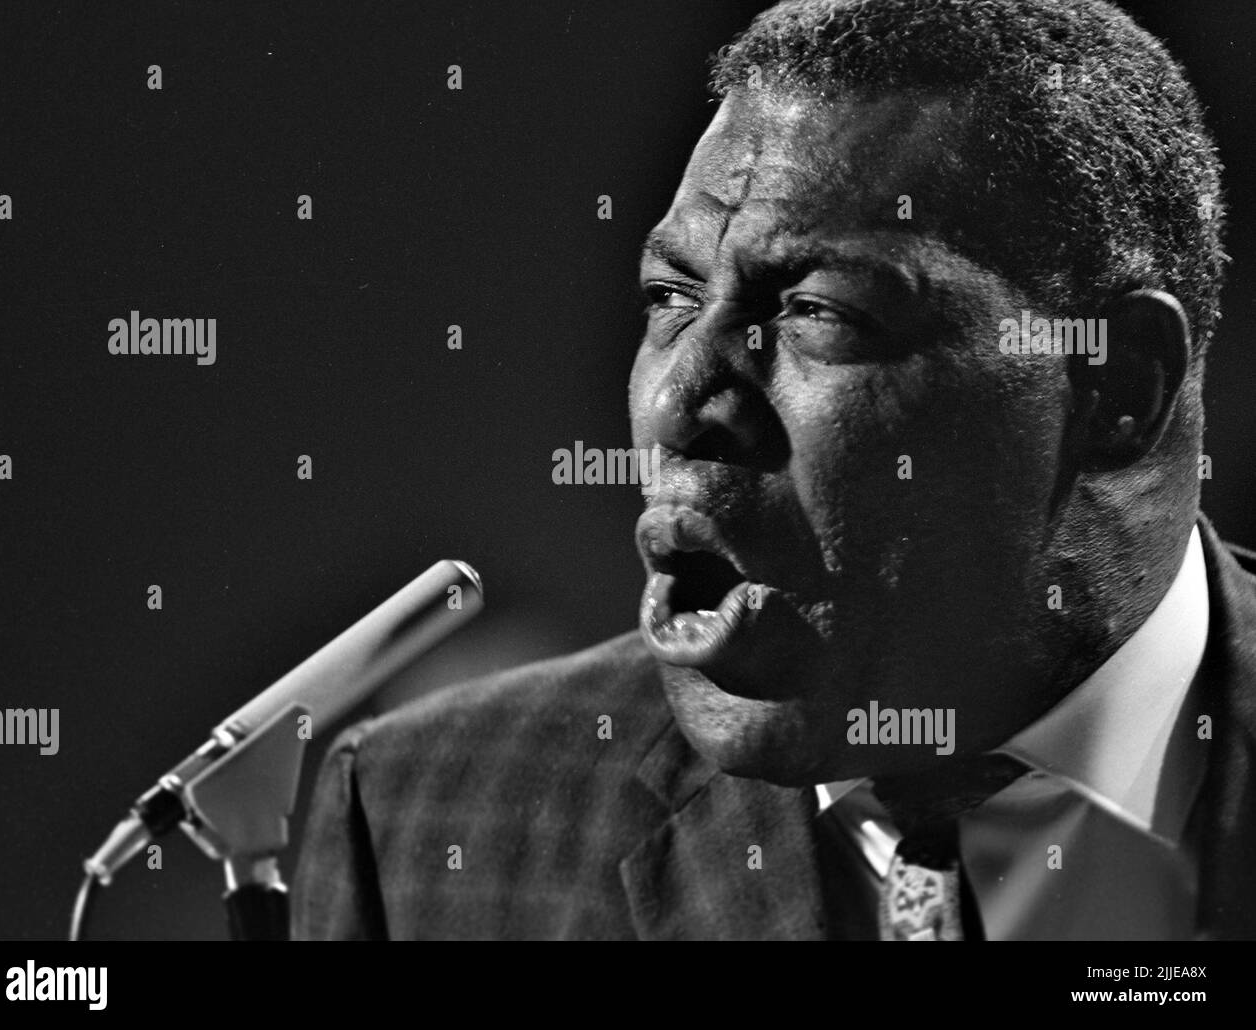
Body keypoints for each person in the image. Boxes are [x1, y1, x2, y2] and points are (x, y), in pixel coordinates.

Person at [292, 0, 1256, 940]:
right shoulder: (427, 822)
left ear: (1121, 383)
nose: (678, 406)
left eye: (817, 311)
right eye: (672, 297)